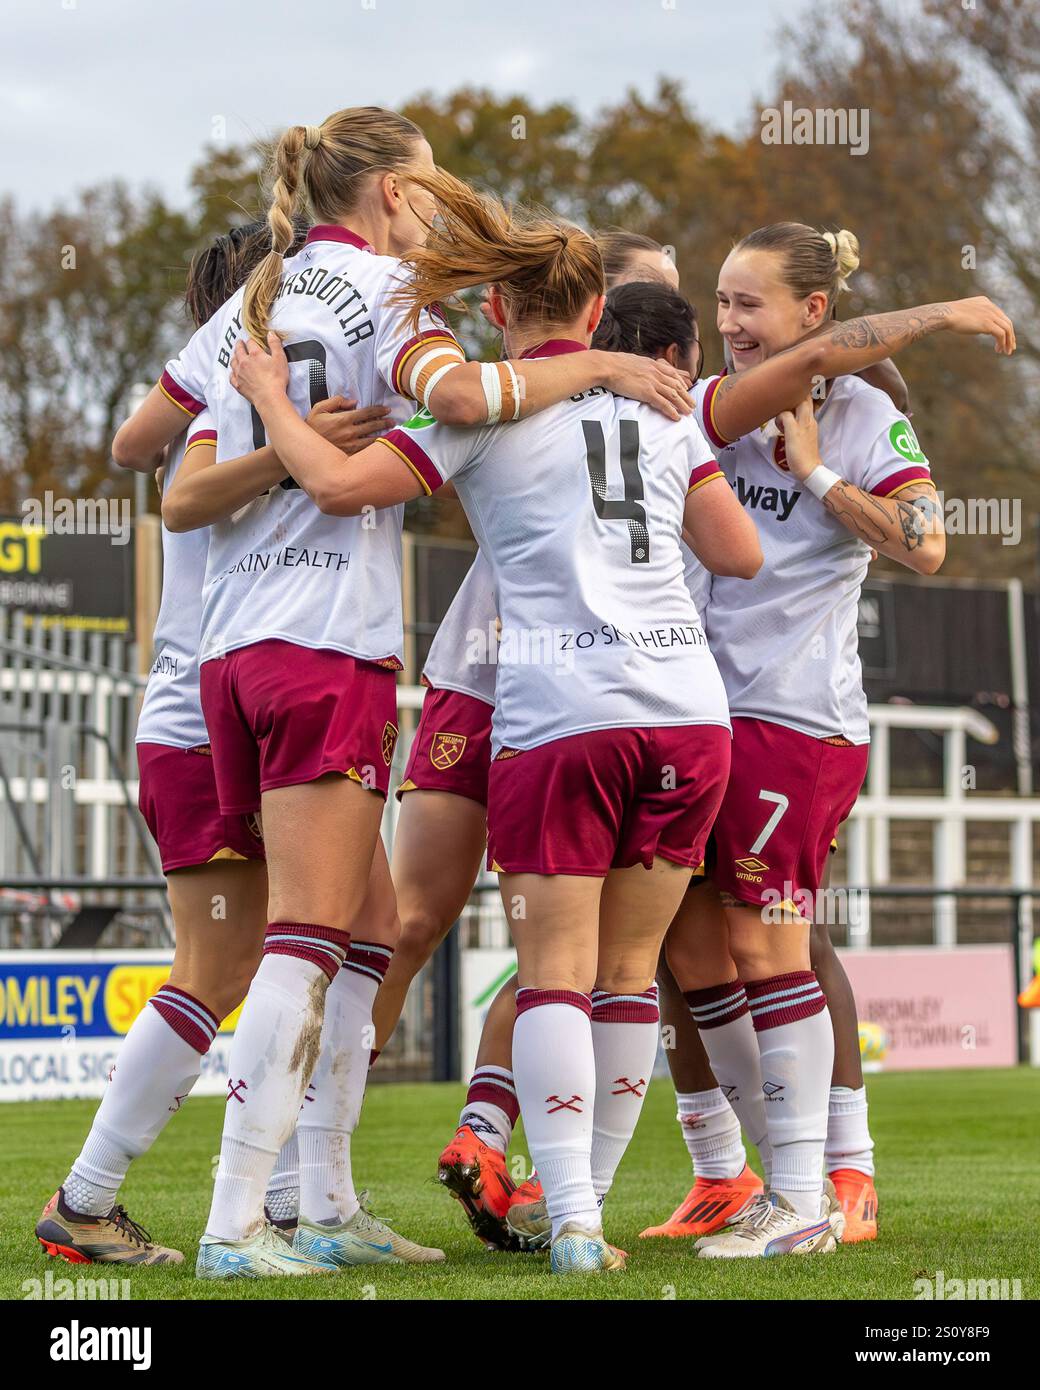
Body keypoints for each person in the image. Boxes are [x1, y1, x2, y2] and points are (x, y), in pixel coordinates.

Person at [112, 107, 692, 1280]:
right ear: (387, 195)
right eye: (424, 187)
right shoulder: (390, 298)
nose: (433, 205)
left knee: (368, 931)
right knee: (307, 938)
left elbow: (140, 449)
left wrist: (267, 420)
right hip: (329, 648)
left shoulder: (258, 299)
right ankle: (240, 1223)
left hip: (224, 653)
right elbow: (468, 401)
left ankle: (322, 1197)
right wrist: (604, 363)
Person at [228, 168, 762, 1272]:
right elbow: (737, 554)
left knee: (555, 971)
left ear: (497, 309)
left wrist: (275, 405)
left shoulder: (470, 414)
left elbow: (335, 486)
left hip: (560, 711)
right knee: (629, 971)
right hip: (687, 716)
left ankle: (564, 1220)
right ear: (596, 316)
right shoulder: (665, 414)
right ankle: (594, 1211)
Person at [659, 222, 1014, 1258]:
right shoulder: (705, 409)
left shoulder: (860, 417)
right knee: (687, 951)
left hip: (792, 723)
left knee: (770, 947)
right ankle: (782, 1180)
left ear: (812, 316)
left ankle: (808, 1196)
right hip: (693, 714)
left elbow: (929, 548)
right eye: (718, 303)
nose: (726, 324)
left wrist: (812, 473)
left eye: (747, 305)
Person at [369, 232, 686, 1251]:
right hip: (497, 678)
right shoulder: (505, 394)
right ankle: (312, 1165)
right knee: (430, 923)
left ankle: (483, 1131)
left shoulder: (639, 407)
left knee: (561, 950)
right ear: (597, 314)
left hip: (558, 697)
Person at [33, 222, 295, 1269]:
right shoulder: (221, 411)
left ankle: (288, 1196)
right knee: (227, 964)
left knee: (304, 948)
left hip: (206, 716)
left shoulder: (224, 409)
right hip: (201, 721)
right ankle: (89, 1197)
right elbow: (135, 447)